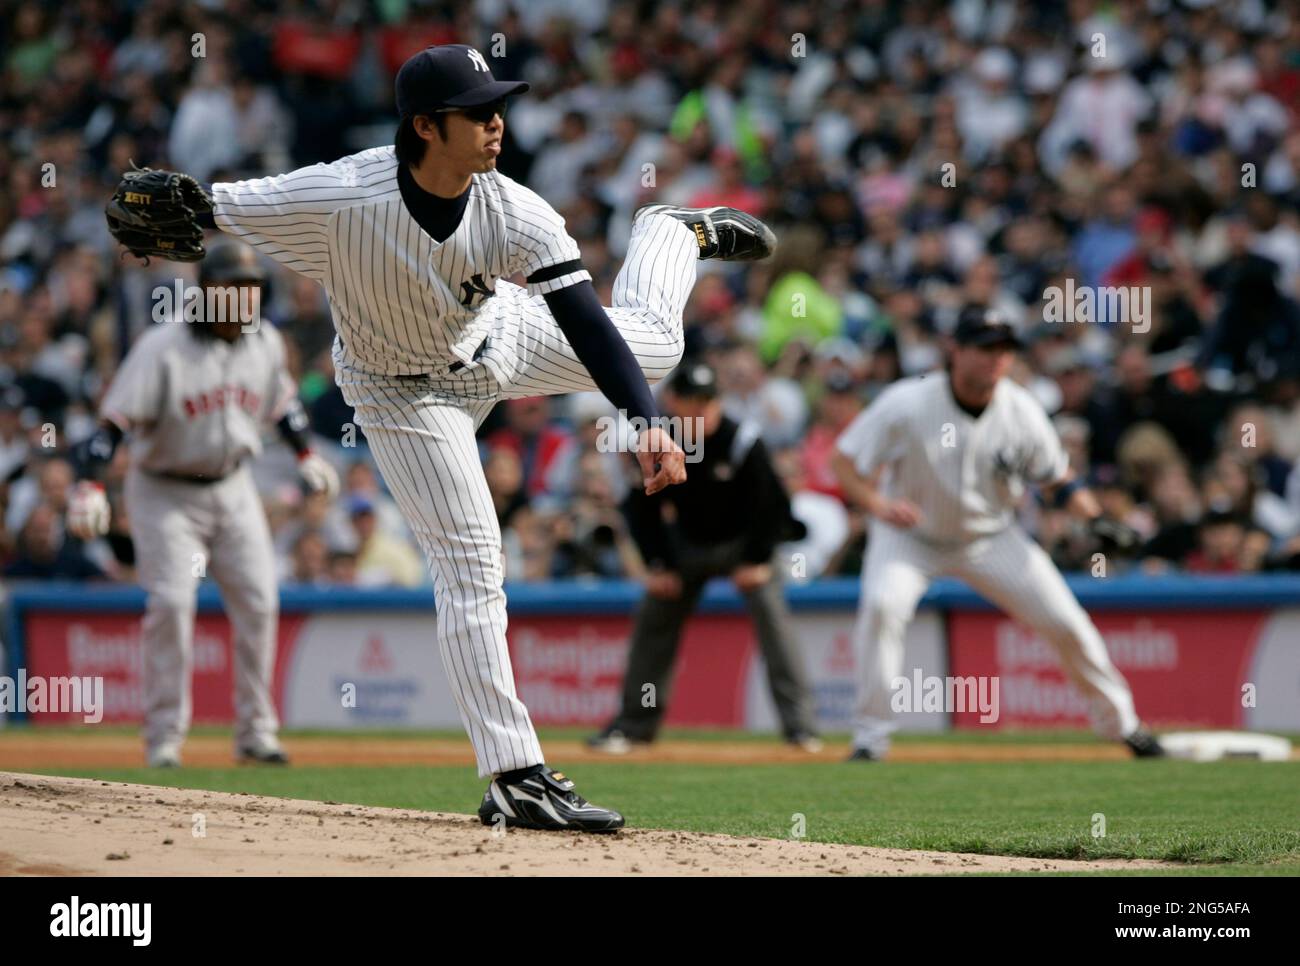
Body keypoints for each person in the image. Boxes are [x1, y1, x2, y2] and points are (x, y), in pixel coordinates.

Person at [104, 44, 776, 831]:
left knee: (656, 346)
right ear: (424, 126)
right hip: (399, 392)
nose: (497, 124)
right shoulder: (337, 195)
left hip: (501, 339)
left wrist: (648, 420)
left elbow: (586, 324)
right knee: (471, 557)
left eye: (498, 108)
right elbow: (201, 207)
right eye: (477, 113)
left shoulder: (513, 208)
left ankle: (665, 231)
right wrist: (169, 210)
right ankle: (514, 773)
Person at [830, 308, 1164, 761]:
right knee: (883, 608)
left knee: (1066, 622)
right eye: (985, 348)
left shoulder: (1020, 409)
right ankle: (870, 738)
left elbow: (1057, 479)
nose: (996, 359)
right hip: (911, 537)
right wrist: (876, 505)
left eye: (1004, 350)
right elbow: (845, 460)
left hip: (990, 537)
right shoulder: (908, 401)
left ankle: (1124, 725)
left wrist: (1095, 519)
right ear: (956, 351)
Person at [66, 240, 341, 768]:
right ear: (209, 292)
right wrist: (91, 485)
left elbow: (284, 405)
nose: (244, 298)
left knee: (261, 600)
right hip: (165, 492)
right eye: (234, 288)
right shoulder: (163, 347)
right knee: (171, 606)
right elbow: (110, 427)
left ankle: (256, 733)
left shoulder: (263, 341)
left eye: (251, 289)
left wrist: (305, 453)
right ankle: (165, 738)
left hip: (232, 486)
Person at [589, 361, 820, 753]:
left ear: (719, 401)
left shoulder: (742, 438)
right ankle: (632, 726)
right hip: (686, 547)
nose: (701, 410)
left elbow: (773, 506)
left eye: (708, 401)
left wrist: (757, 559)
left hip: (742, 545)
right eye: (692, 401)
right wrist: (659, 564)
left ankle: (801, 728)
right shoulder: (661, 439)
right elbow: (641, 508)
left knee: (773, 616)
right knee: (653, 617)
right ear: (675, 402)